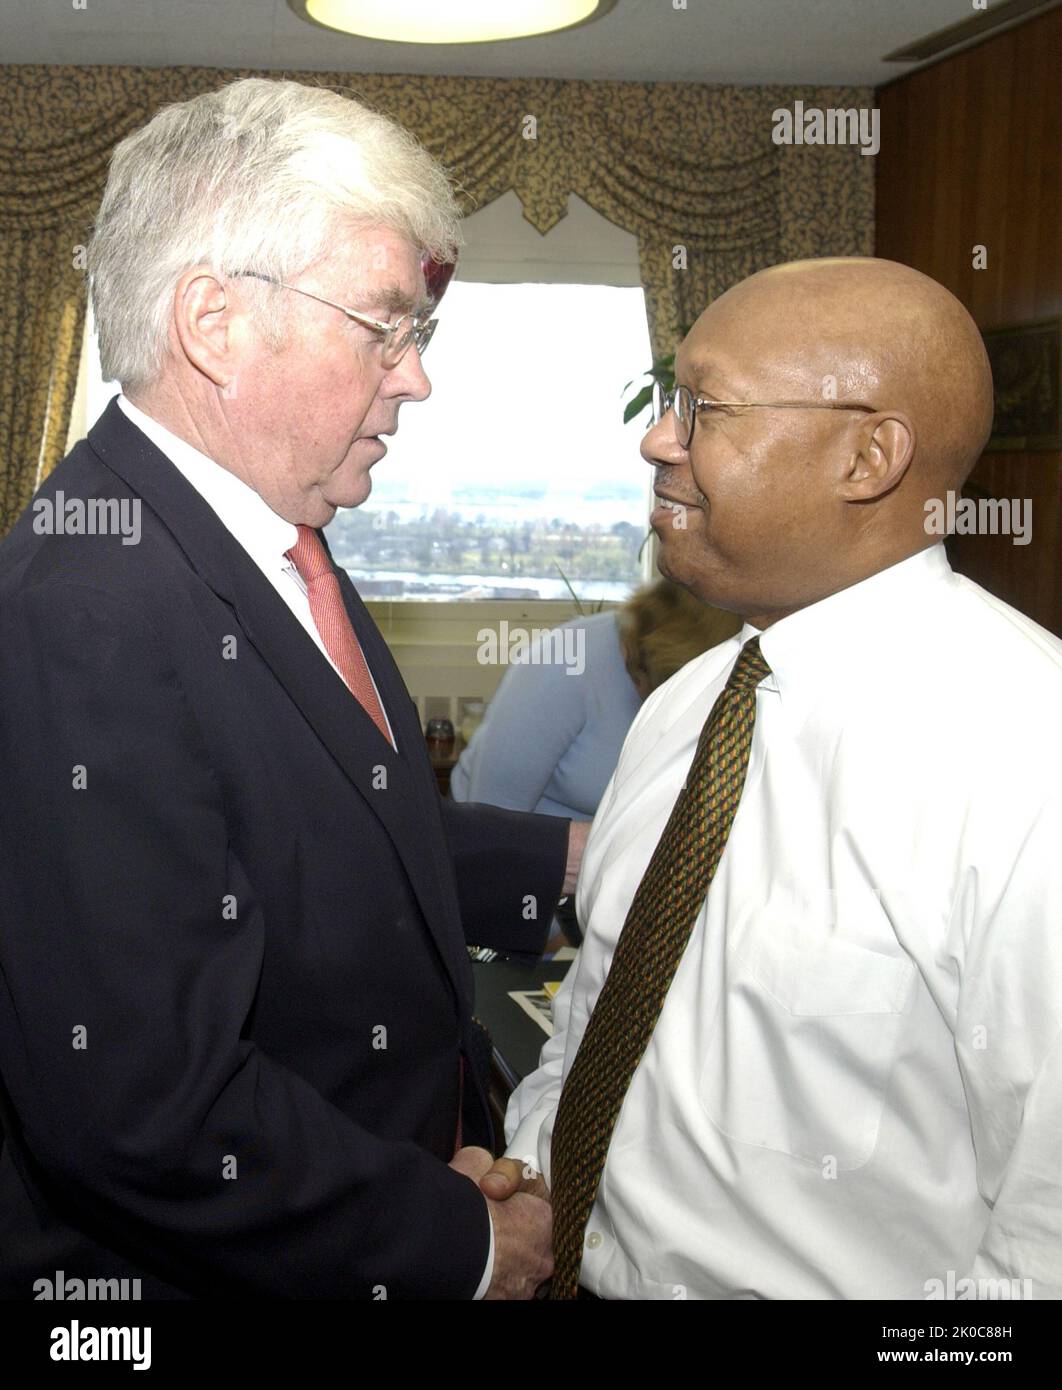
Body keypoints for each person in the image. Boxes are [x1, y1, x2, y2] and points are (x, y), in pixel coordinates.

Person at [0, 78, 592, 1301]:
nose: (414, 379)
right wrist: (458, 1242)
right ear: (215, 322)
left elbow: (319, 828)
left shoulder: (262, 537)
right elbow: (147, 1105)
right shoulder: (85, 610)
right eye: (385, 326)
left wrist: (578, 859)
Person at [481, 256, 1062, 1300]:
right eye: (670, 402)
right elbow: (596, 1015)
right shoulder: (687, 706)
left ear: (869, 456)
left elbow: (1044, 1249)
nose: (658, 438)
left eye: (705, 408)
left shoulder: (1027, 758)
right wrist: (531, 1182)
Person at [451, 582, 738, 945]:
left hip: (620, 902)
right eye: (645, 683)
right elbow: (491, 828)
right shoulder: (565, 659)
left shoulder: (721, 675)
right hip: (528, 894)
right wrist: (553, 938)